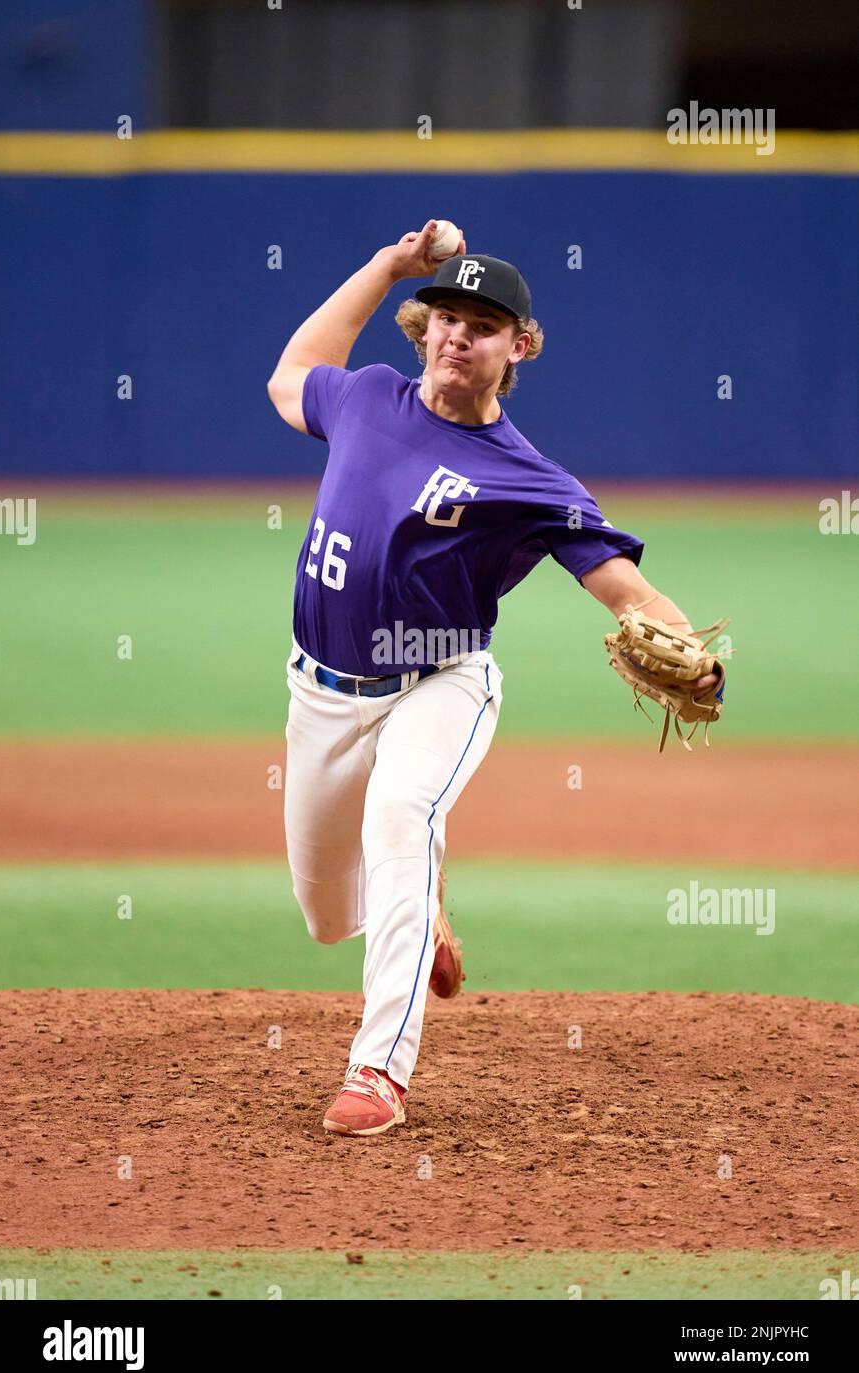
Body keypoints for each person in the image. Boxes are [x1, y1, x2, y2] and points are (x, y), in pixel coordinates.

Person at [267, 219, 717, 1137]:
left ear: (518, 348)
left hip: (441, 683)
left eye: (481, 323)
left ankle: (378, 1073)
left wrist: (689, 649)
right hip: (318, 693)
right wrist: (389, 266)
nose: (455, 333)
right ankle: (421, 911)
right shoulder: (365, 398)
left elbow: (622, 586)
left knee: (401, 817)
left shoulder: (529, 478)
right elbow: (291, 372)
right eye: (442, 315)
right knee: (324, 914)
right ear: (420, 328)